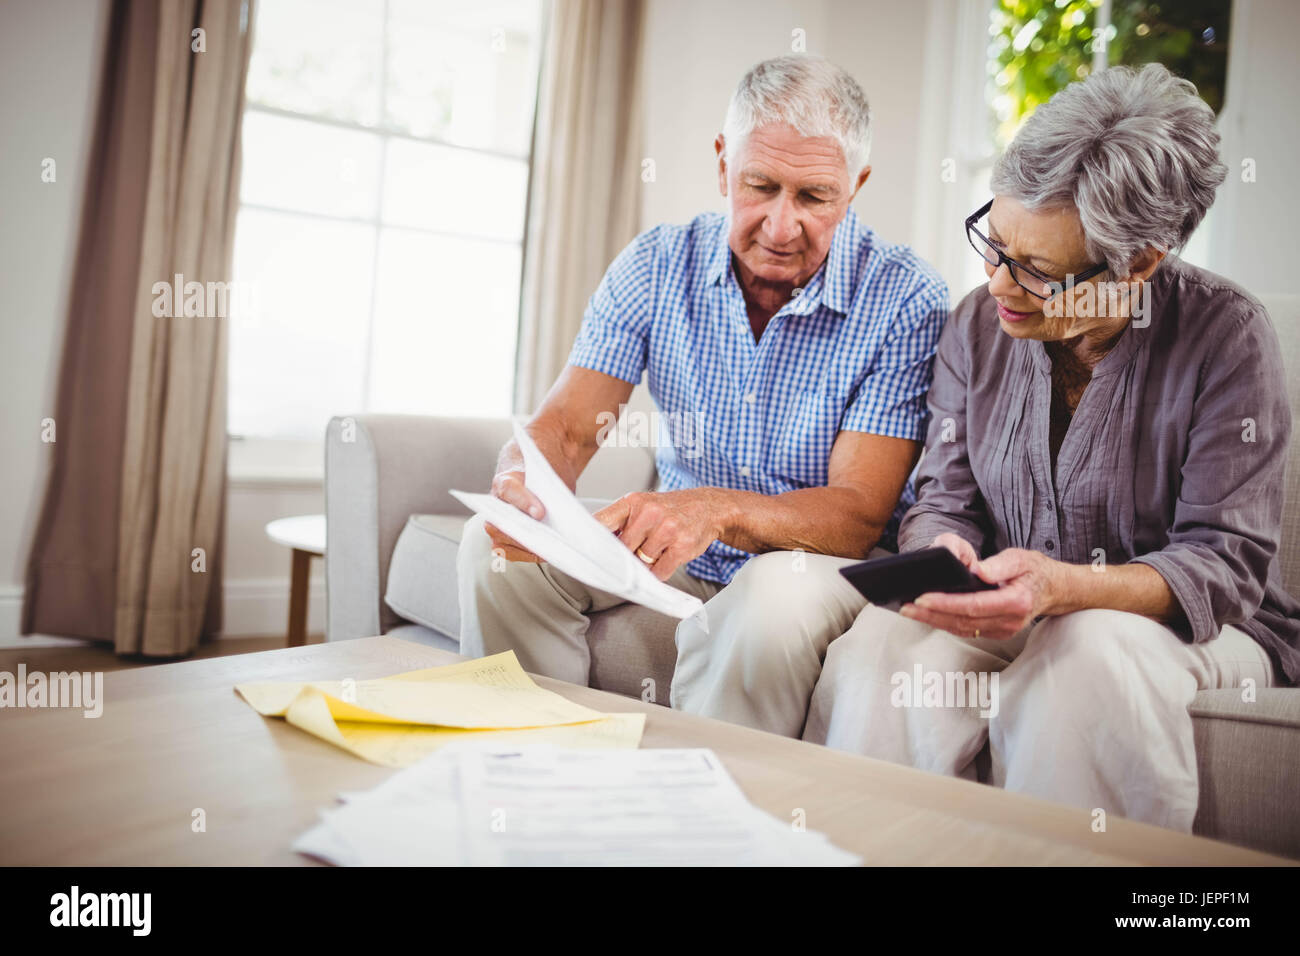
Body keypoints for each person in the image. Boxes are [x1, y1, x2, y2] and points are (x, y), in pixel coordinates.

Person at [802, 63, 1300, 831]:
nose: (1000, 284)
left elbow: (1223, 565)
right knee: (885, 647)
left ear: (1138, 264)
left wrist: (1065, 587)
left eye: (1036, 271)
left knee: (1087, 652)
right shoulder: (976, 325)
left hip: (1196, 629)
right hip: (1013, 604)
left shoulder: (1227, 337)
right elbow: (946, 498)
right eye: (995, 244)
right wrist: (947, 558)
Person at [456, 55, 948, 731]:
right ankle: (536, 761)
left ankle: (708, 817)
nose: (781, 226)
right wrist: (520, 480)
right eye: (760, 186)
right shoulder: (657, 262)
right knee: (494, 552)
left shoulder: (908, 298)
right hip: (676, 549)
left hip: (813, 564)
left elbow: (858, 514)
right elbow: (567, 428)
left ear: (856, 184)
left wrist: (711, 511)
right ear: (723, 165)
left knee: (769, 599)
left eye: (814, 197)